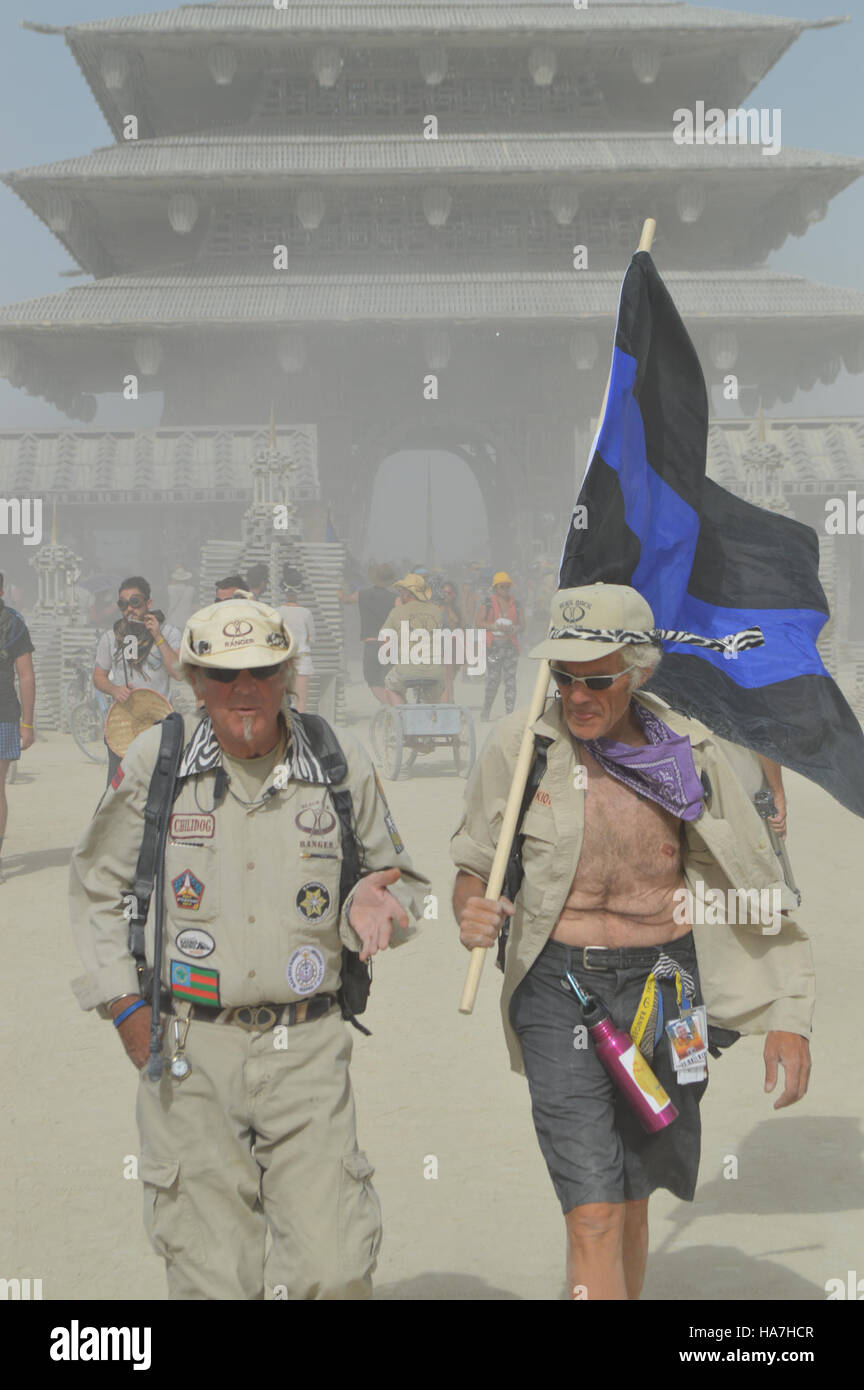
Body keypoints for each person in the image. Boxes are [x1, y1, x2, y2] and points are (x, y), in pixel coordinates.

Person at [451, 584, 813, 1301]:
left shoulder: (691, 755)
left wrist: (788, 1016)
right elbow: (472, 865)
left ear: (639, 669)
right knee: (591, 1206)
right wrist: (471, 909)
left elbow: (757, 882)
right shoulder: (519, 747)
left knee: (635, 1193)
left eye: (596, 678)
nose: (577, 696)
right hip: (560, 989)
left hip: (666, 991)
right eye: (564, 676)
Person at [69, 596, 427, 1300]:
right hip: (189, 1049)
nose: (245, 690)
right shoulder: (156, 761)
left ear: (289, 674)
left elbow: (400, 882)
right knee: (213, 1277)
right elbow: (95, 887)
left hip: (310, 1045)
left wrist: (375, 908)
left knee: (335, 1267)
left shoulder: (335, 757)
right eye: (224, 675)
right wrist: (121, 1003)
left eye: (263, 671)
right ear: (195, 681)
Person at [93, 576, 183, 787]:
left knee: (158, 790)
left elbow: (178, 672)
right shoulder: (110, 637)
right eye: (123, 604)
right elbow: (99, 676)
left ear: (148, 603)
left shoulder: (169, 633)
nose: (129, 609)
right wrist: (114, 690)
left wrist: (158, 637)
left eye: (135, 602)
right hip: (122, 726)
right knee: (118, 791)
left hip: (159, 724)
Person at [0, 572, 35, 884]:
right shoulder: (13, 623)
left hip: (3, 714)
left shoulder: (12, 625)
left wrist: (27, 723)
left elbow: (26, 674)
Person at [378, 573, 445, 705]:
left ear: (406, 594)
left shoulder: (397, 612)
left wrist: (390, 660)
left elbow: (385, 642)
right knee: (434, 697)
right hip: (435, 671)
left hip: (407, 670)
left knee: (391, 686)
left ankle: (403, 716)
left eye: (401, 591)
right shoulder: (436, 611)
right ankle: (431, 717)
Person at [338, 563, 397, 707]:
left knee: (372, 680)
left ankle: (391, 708)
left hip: (372, 643)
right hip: (390, 643)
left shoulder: (362, 594)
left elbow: (345, 599)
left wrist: (337, 586)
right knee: (388, 681)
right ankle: (393, 708)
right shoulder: (396, 598)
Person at [476, 571, 522, 721]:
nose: (505, 589)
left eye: (507, 586)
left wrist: (515, 628)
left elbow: (523, 625)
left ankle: (510, 714)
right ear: (495, 588)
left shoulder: (516, 603)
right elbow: (478, 622)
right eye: (502, 586)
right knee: (493, 681)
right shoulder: (488, 603)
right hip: (494, 646)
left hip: (510, 646)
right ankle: (486, 711)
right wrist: (494, 626)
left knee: (510, 682)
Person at [277, 586, 316, 713]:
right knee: (301, 698)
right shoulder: (306, 613)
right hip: (302, 656)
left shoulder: (276, 612)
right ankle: (300, 726)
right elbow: (312, 638)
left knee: (280, 697)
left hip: (283, 657)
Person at [440, 580, 463, 704]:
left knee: (450, 679)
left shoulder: (456, 610)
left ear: (454, 595)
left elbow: (458, 625)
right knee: (446, 679)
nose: (446, 595)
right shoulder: (437, 609)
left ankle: (449, 702)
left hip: (454, 647)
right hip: (442, 647)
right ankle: (448, 703)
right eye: (444, 593)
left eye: (449, 593)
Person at [164, 566, 197, 633]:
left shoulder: (169, 589)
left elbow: (166, 604)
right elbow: (195, 605)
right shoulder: (191, 590)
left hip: (172, 621)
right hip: (186, 621)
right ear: (186, 579)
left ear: (175, 579)